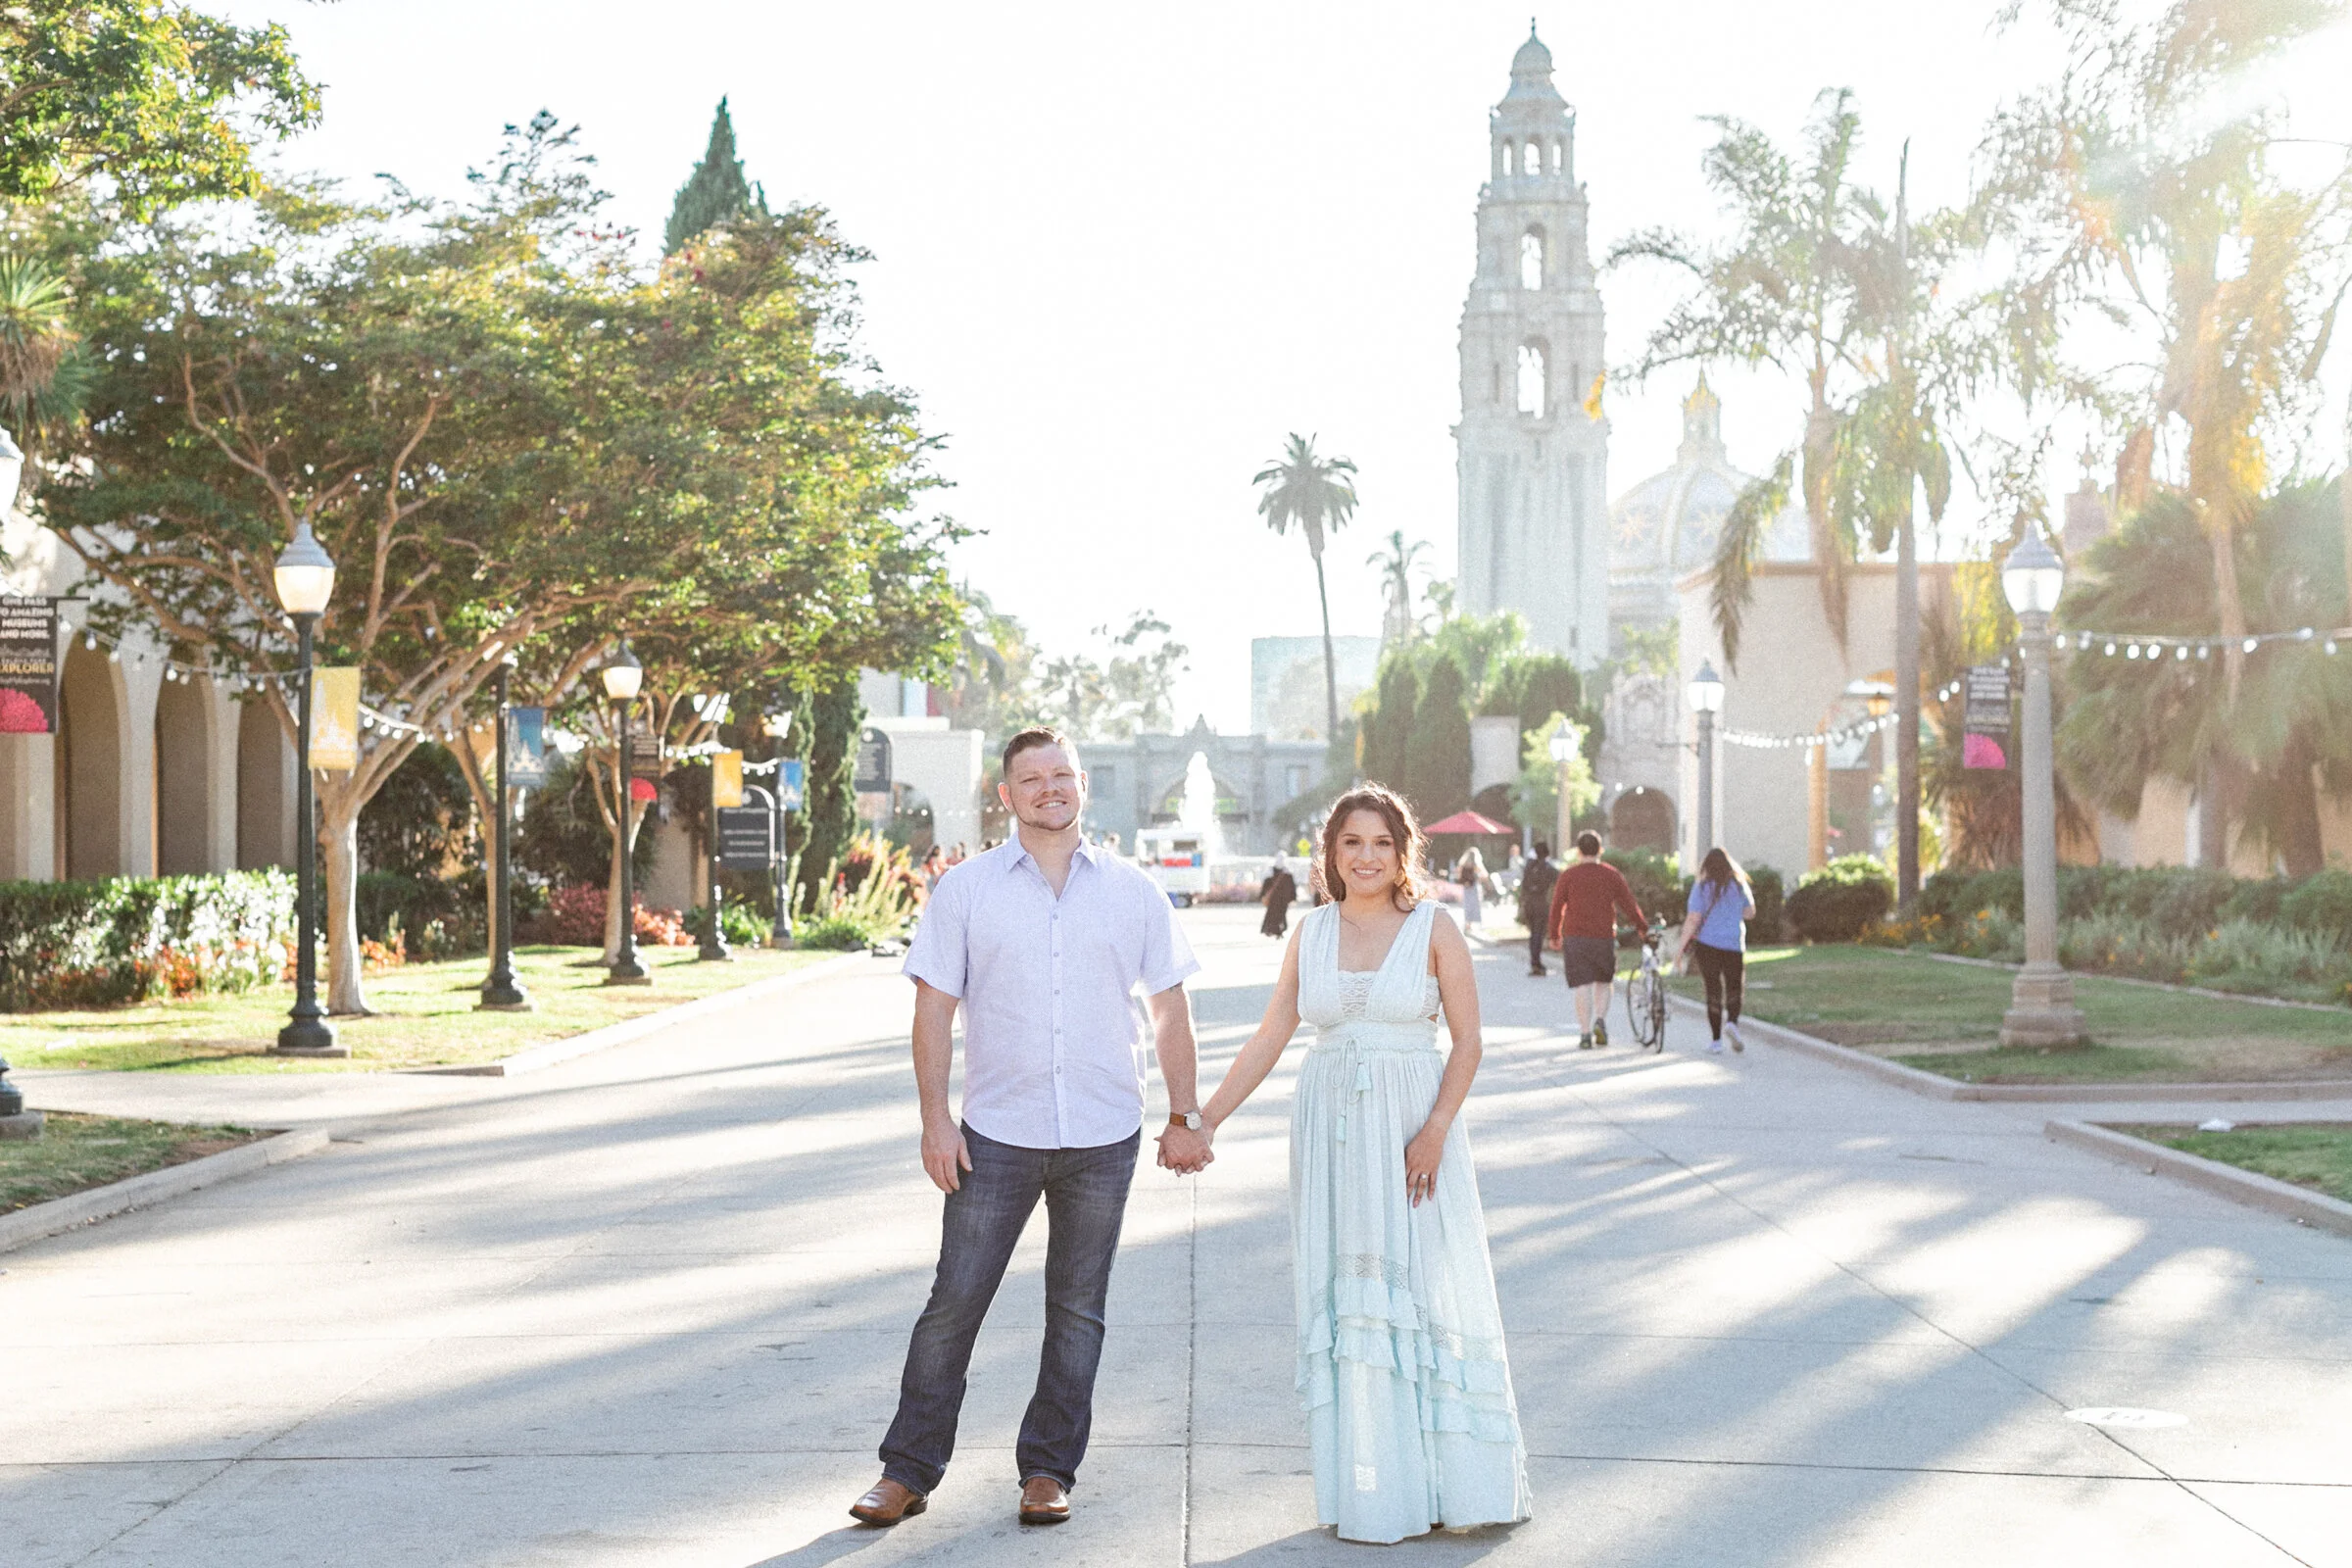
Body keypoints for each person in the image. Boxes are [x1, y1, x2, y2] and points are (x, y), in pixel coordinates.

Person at [849, 726, 1212, 1531]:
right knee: (954, 1303)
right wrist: (934, 1120)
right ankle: (905, 1471)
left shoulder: (1134, 890)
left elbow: (1170, 1007)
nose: (1050, 787)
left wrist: (1185, 1114)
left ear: (1082, 785)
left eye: (1063, 774)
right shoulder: (968, 890)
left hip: (1103, 1132)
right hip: (996, 1134)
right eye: (1031, 778)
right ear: (1005, 795)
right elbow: (934, 1008)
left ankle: (1048, 1470)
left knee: (1078, 1310)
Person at [1199, 785, 1532, 1544]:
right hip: (1330, 1138)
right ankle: (1376, 1489)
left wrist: (1436, 1129)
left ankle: (1457, 1484)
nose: (1368, 856)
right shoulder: (1309, 933)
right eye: (1353, 842)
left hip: (1414, 1125)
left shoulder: (1435, 928)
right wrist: (1205, 1119)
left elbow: (1470, 1041)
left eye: (1382, 842)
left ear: (1404, 850)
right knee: (1350, 1299)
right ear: (1332, 852)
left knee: (1426, 1287)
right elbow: (1269, 1036)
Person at [1545, 831, 1643, 1050]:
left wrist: (1554, 935)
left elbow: (1557, 907)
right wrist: (1642, 927)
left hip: (1575, 936)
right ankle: (1600, 1019)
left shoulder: (1568, 875)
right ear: (1600, 850)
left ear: (1578, 851)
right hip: (1603, 936)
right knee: (1603, 981)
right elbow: (1629, 904)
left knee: (1582, 984)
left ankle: (1585, 1032)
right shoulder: (1611, 875)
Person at [1678, 847, 1755, 1054]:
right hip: (1733, 944)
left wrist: (1679, 950)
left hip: (1708, 945)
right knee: (1734, 987)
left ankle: (1716, 1041)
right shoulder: (1739, 886)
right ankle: (1732, 1022)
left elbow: (1693, 918)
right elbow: (1750, 912)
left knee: (1713, 990)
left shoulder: (1701, 887)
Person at [1516, 840, 1558, 977]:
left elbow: (1523, 887)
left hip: (1529, 903)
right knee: (1538, 934)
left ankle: (1534, 961)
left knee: (1533, 933)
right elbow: (1558, 882)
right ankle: (1536, 961)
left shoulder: (1529, 867)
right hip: (1541, 903)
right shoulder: (1549, 869)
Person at [1452, 846, 1494, 928]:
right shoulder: (1477, 866)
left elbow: (1457, 874)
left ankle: (1468, 923)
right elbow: (1484, 876)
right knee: (1476, 905)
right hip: (1474, 886)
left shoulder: (1463, 865)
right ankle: (1477, 922)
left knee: (1467, 905)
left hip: (1466, 887)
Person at [1259, 856, 1298, 938]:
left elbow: (1265, 887)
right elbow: (1292, 887)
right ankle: (1277, 930)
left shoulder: (1272, 872)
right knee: (1280, 914)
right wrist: (1293, 898)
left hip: (1276, 900)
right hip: (1281, 900)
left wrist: (1262, 895)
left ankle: (1274, 930)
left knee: (1275, 914)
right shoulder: (1286, 873)